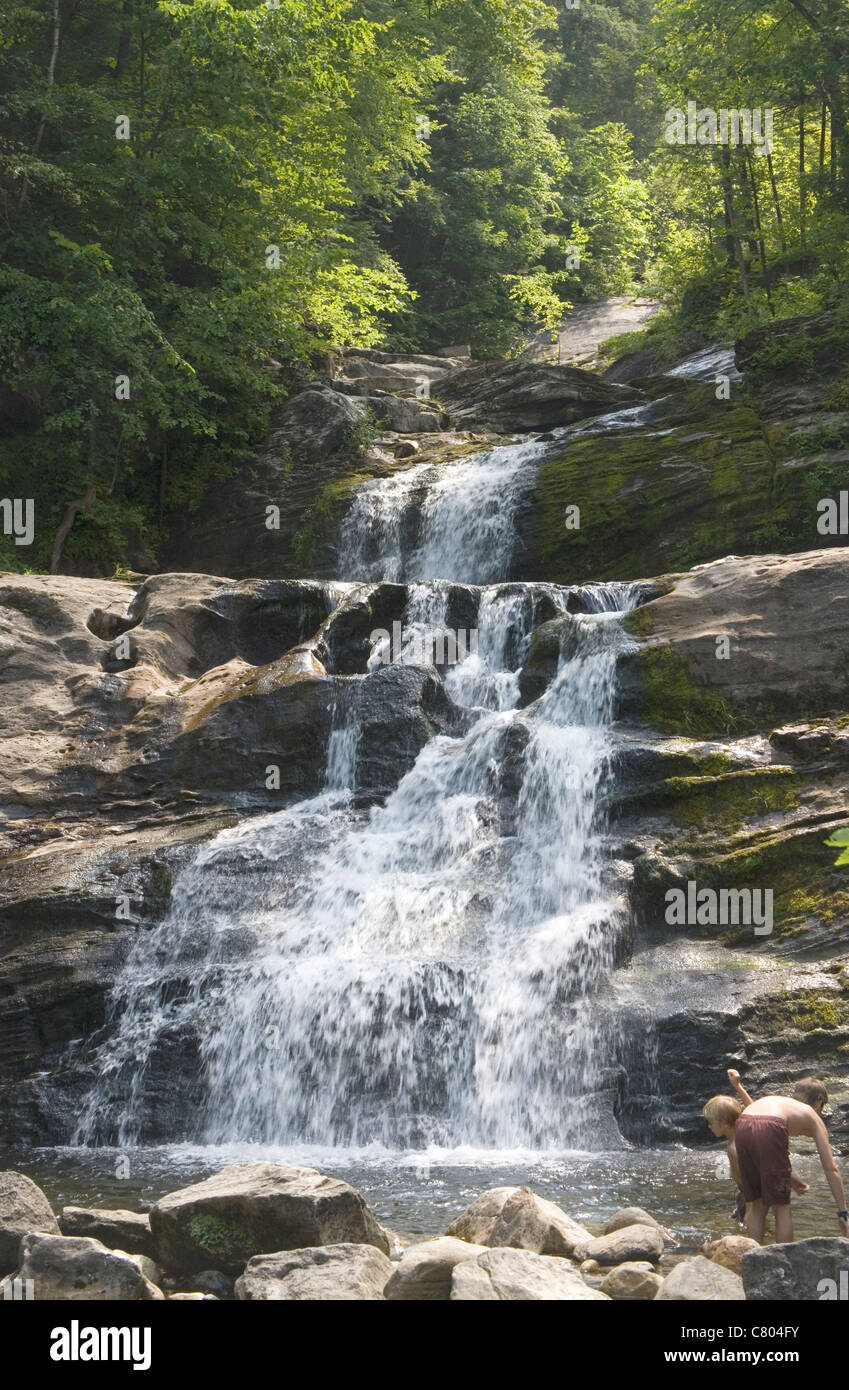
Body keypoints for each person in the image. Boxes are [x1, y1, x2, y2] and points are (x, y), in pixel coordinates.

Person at [703, 1073, 849, 1243]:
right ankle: (782, 1260)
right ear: (818, 1103)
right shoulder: (811, 1115)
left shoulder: (779, 1102)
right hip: (769, 1126)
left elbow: (768, 1152)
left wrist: (788, 1176)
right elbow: (831, 1169)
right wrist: (843, 1213)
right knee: (782, 1208)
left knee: (757, 1206)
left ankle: (754, 1258)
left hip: (743, 1123)